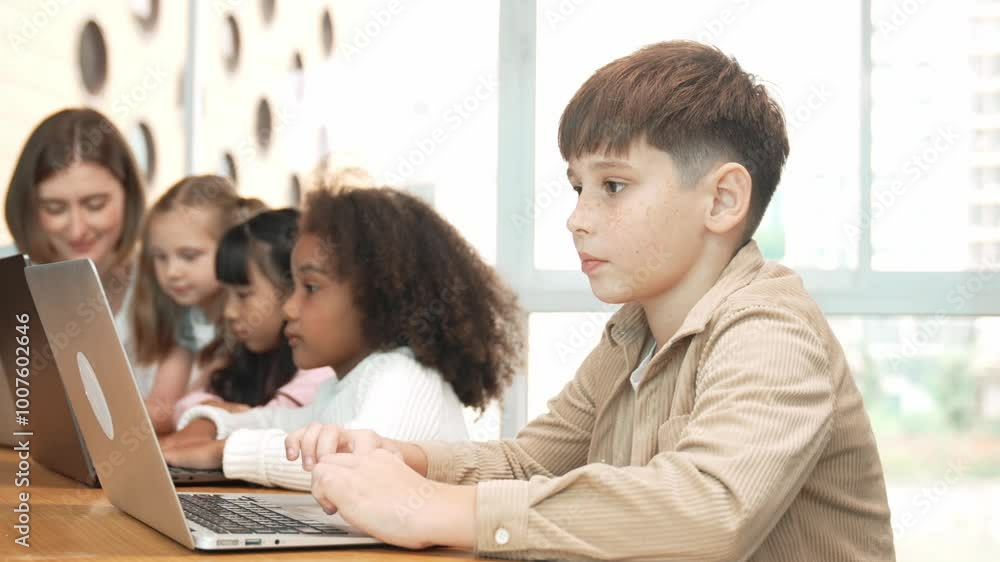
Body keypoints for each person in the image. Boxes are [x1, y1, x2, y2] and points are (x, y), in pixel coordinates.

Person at [287, 41, 896, 561]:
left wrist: (433, 507)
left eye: (613, 186)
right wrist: (404, 459)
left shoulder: (770, 328)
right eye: (578, 187)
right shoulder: (633, 331)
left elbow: (710, 510)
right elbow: (532, 465)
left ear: (721, 200)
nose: (577, 219)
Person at [162, 186, 524, 493]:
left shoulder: (406, 376)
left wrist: (221, 452)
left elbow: (355, 461)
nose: (289, 308)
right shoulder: (338, 390)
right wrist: (212, 423)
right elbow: (280, 428)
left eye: (311, 288)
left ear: (379, 297)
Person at [5, 108, 148, 382]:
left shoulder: (169, 281)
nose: (77, 229)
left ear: (128, 196)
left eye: (95, 205)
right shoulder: (8, 276)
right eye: (55, 208)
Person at [168, 208, 334, 431]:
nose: (229, 311)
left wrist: (216, 414)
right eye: (226, 294)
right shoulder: (239, 356)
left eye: (243, 295)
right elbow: (183, 408)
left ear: (291, 289)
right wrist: (216, 409)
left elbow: (273, 424)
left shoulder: (320, 369)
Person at [131, 174, 264, 433]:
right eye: (160, 257)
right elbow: (163, 405)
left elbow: (179, 411)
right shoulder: (186, 320)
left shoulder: (244, 326)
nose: (172, 271)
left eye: (189, 256)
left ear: (230, 249)